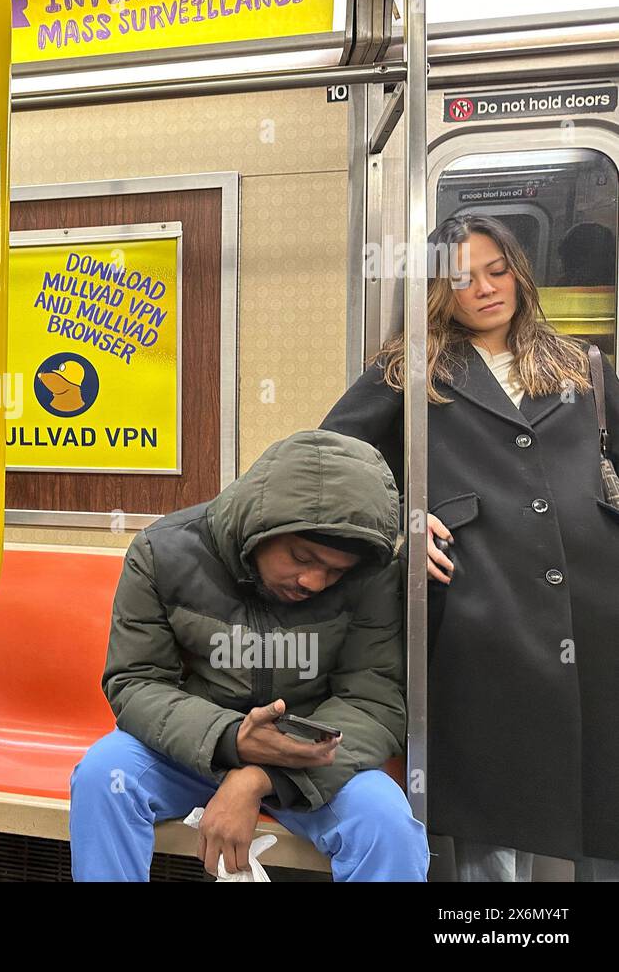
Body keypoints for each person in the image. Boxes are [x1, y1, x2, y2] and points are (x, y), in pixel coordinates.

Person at [321, 214, 619, 883]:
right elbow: (330, 468)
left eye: (497, 269)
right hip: (484, 616)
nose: (486, 288)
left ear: (519, 270)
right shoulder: (407, 369)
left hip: (598, 614)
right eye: (463, 277)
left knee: (605, 793)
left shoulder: (584, 365)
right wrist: (401, 525)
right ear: (437, 289)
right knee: (497, 806)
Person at [69, 430, 429, 882]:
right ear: (260, 528)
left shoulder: (371, 579)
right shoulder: (161, 552)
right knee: (104, 777)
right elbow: (136, 682)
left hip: (313, 759)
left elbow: (373, 703)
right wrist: (230, 740)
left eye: (336, 571)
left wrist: (259, 776)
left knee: (388, 825)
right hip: (191, 748)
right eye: (302, 557)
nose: (314, 582)